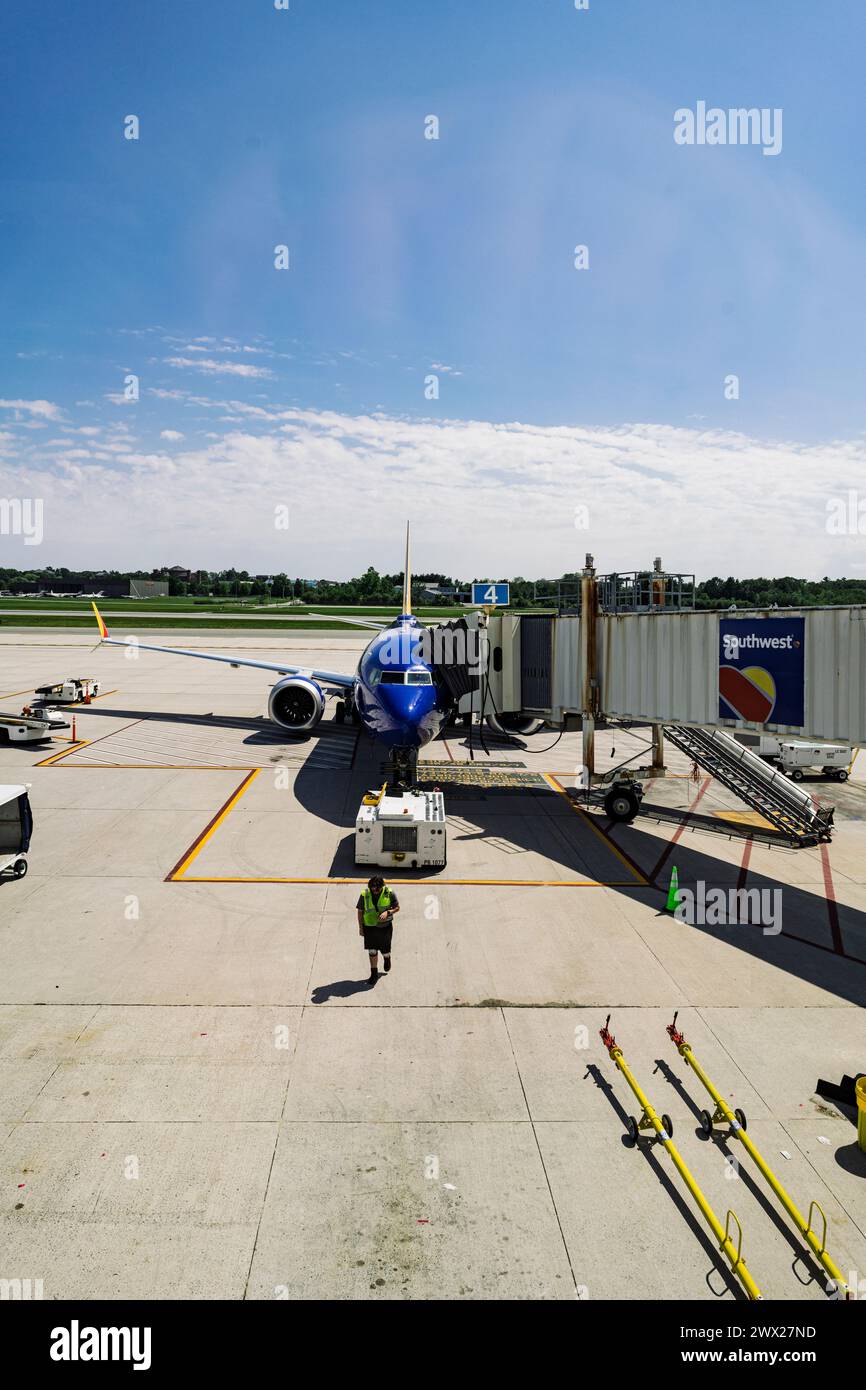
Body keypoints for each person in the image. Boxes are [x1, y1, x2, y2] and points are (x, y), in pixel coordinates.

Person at [357, 875, 400, 982]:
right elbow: (360, 912)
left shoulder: (389, 893)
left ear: (382, 887)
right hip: (369, 926)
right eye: (373, 888)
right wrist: (361, 928)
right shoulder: (364, 894)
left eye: (378, 889)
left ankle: (387, 958)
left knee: (385, 950)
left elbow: (397, 907)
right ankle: (374, 974)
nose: (375, 891)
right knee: (372, 951)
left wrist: (388, 912)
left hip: (385, 927)